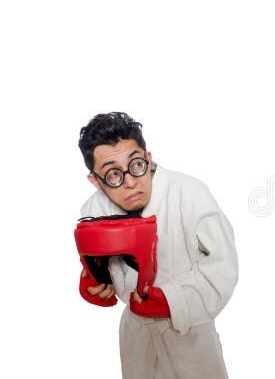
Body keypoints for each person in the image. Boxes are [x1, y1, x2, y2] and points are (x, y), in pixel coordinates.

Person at [76, 112, 239, 379]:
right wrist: (98, 282)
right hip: (136, 338)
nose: (130, 182)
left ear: (148, 158)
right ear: (95, 180)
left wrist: (172, 300)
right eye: (113, 174)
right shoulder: (94, 210)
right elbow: (102, 268)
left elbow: (223, 267)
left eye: (137, 165)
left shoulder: (190, 193)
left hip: (190, 336)